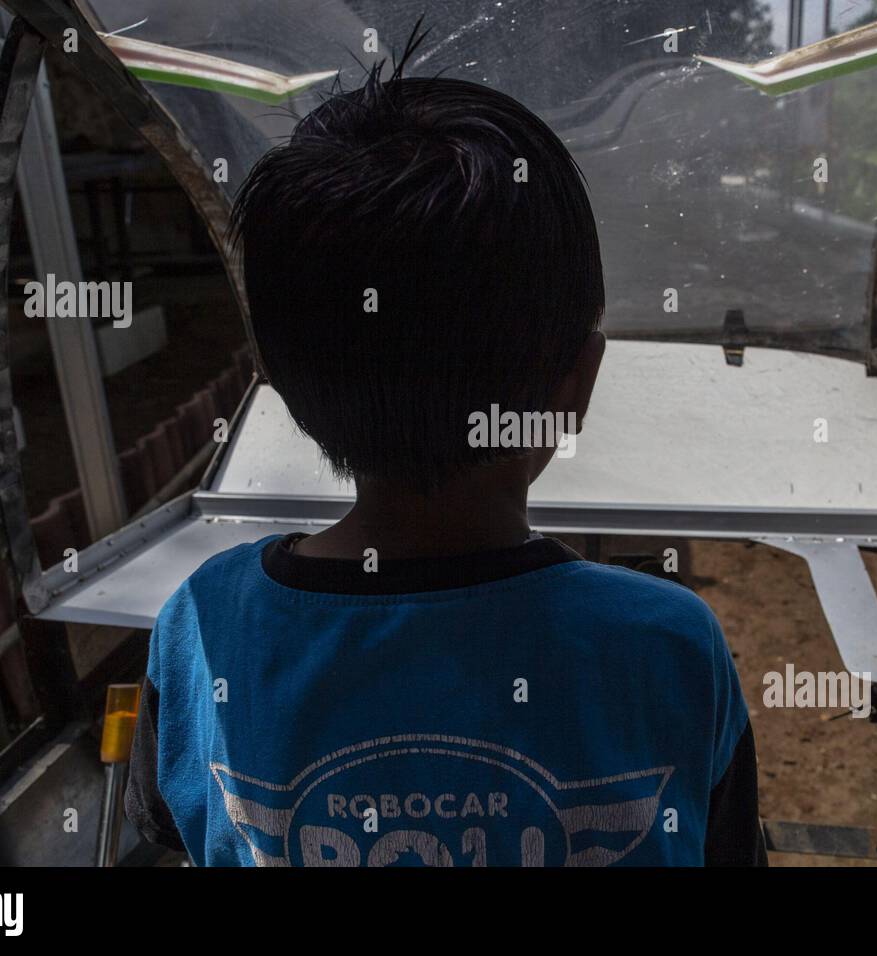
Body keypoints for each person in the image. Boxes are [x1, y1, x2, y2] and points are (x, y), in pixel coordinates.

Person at [124, 37, 765, 867]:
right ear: (579, 384)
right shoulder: (666, 648)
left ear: (274, 379)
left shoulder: (201, 625)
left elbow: (173, 839)